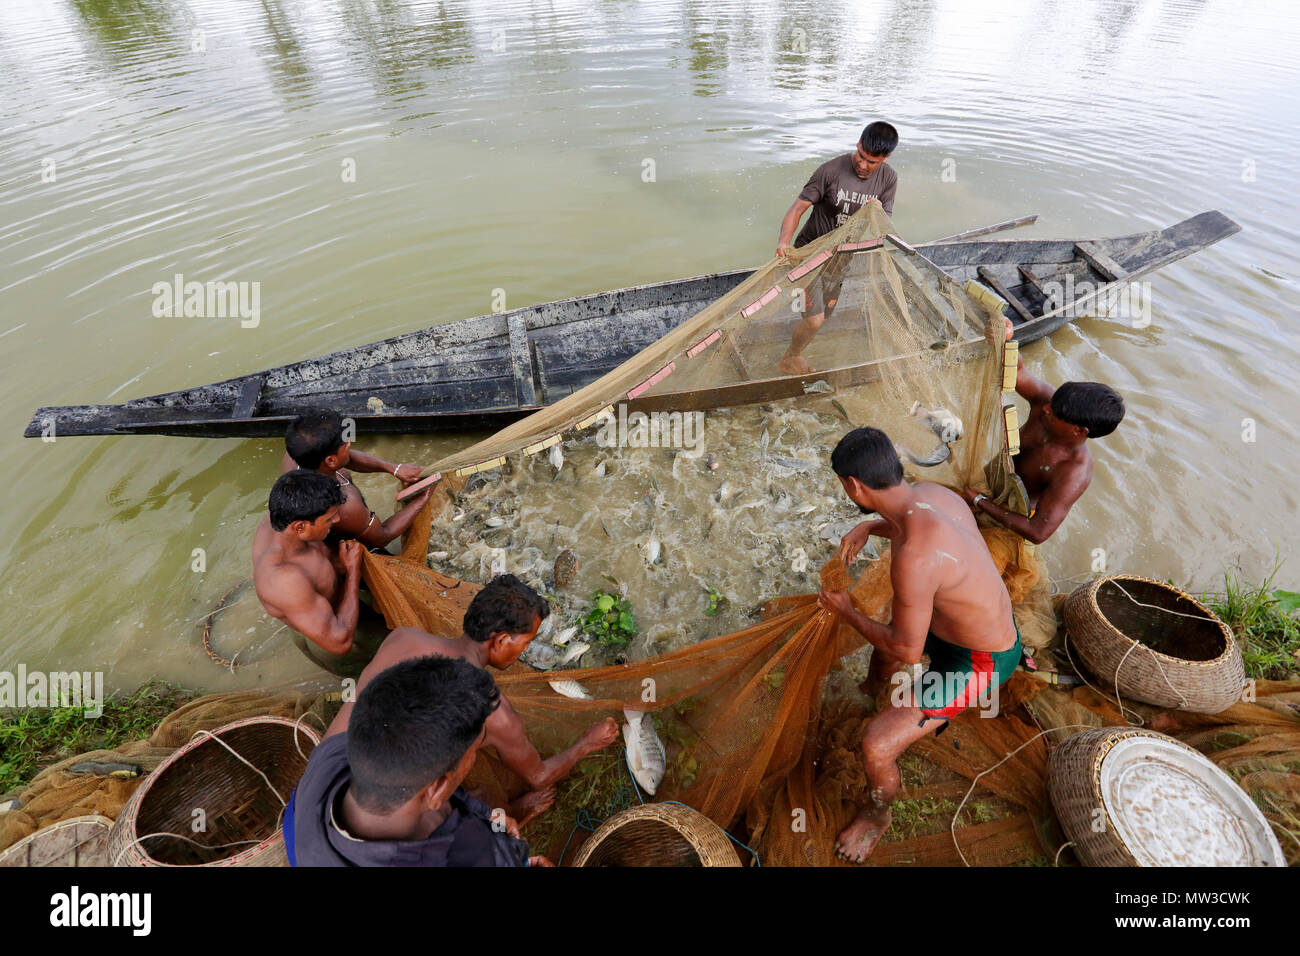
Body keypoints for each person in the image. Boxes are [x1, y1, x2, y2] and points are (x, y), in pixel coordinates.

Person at [816, 427, 1021, 864]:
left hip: (981, 660)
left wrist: (849, 611)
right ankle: (873, 692)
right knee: (888, 639)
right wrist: (870, 524)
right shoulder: (931, 492)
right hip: (957, 624)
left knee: (877, 743)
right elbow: (911, 525)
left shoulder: (914, 560)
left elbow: (909, 651)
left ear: (853, 485)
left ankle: (876, 815)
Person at [348, 574, 620, 822]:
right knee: (488, 796)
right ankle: (514, 812)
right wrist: (586, 743)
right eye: (525, 642)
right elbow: (539, 777)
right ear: (501, 640)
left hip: (339, 767)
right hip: (391, 814)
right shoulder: (494, 711)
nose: (525, 651)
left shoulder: (404, 637)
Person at [289, 654, 550, 866]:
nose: (474, 757)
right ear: (435, 791)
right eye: (472, 754)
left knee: (485, 807)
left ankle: (499, 812)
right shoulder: (470, 855)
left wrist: (487, 813)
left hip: (306, 837)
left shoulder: (331, 756)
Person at [963, 318, 1125, 543]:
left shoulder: (1074, 471)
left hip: (1009, 516)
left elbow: (1038, 532)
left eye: (1054, 413)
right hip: (982, 484)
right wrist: (1006, 339)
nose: (1045, 409)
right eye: (1051, 404)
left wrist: (980, 502)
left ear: (1079, 430)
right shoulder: (1049, 402)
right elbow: (1016, 370)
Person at [775, 121, 900, 375]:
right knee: (814, 319)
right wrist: (783, 244)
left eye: (871, 162)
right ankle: (790, 358)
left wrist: (876, 213)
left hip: (841, 260)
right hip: (808, 256)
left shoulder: (889, 179)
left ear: (885, 158)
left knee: (826, 314)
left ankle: (799, 337)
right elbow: (797, 209)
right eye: (861, 157)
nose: (863, 165)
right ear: (858, 144)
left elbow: (882, 224)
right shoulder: (830, 171)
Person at [252, 469, 365, 658]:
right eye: (330, 519)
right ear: (300, 527)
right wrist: (354, 571)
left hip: (323, 608)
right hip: (331, 639)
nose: (337, 520)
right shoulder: (284, 580)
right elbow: (340, 642)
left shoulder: (285, 517)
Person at [282, 409, 433, 549]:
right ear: (331, 461)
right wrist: (422, 499)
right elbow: (382, 537)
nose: (350, 444)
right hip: (352, 551)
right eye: (346, 446)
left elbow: (349, 458)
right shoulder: (345, 506)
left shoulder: (299, 454)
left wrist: (393, 468)